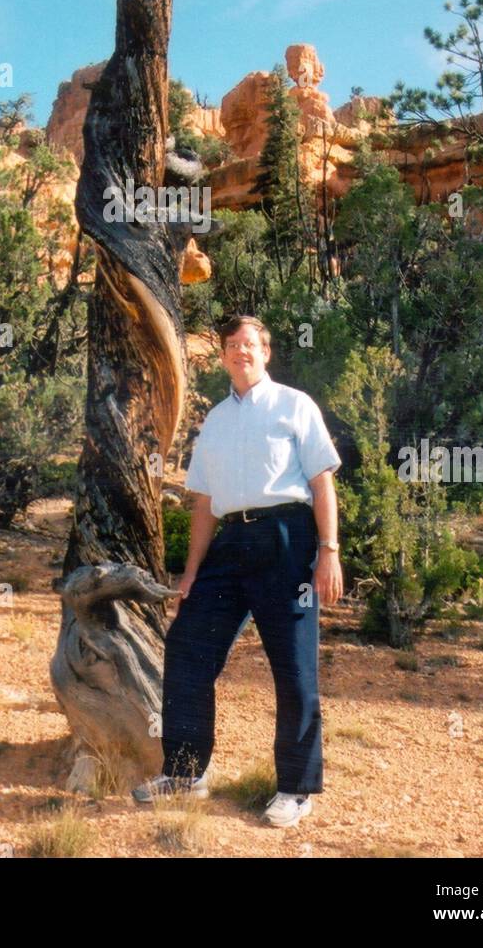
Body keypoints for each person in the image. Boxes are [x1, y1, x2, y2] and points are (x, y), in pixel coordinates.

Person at [132, 314, 343, 827]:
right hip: (230, 542)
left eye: (249, 344)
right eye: (231, 345)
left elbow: (321, 484)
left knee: (293, 667)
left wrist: (329, 551)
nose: (240, 352)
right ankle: (185, 772)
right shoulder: (216, 422)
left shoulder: (296, 406)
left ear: (265, 352)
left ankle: (295, 788)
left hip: (286, 541)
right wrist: (190, 574)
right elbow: (204, 504)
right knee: (187, 647)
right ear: (223, 356)